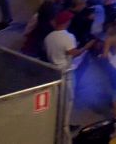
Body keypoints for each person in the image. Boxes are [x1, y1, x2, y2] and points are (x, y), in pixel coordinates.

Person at [44, 11, 89, 142]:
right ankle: (65, 135)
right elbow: (73, 53)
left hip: (54, 73)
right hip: (66, 74)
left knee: (58, 102)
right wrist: (86, 47)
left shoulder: (49, 37)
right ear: (66, 22)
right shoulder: (67, 37)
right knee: (68, 103)